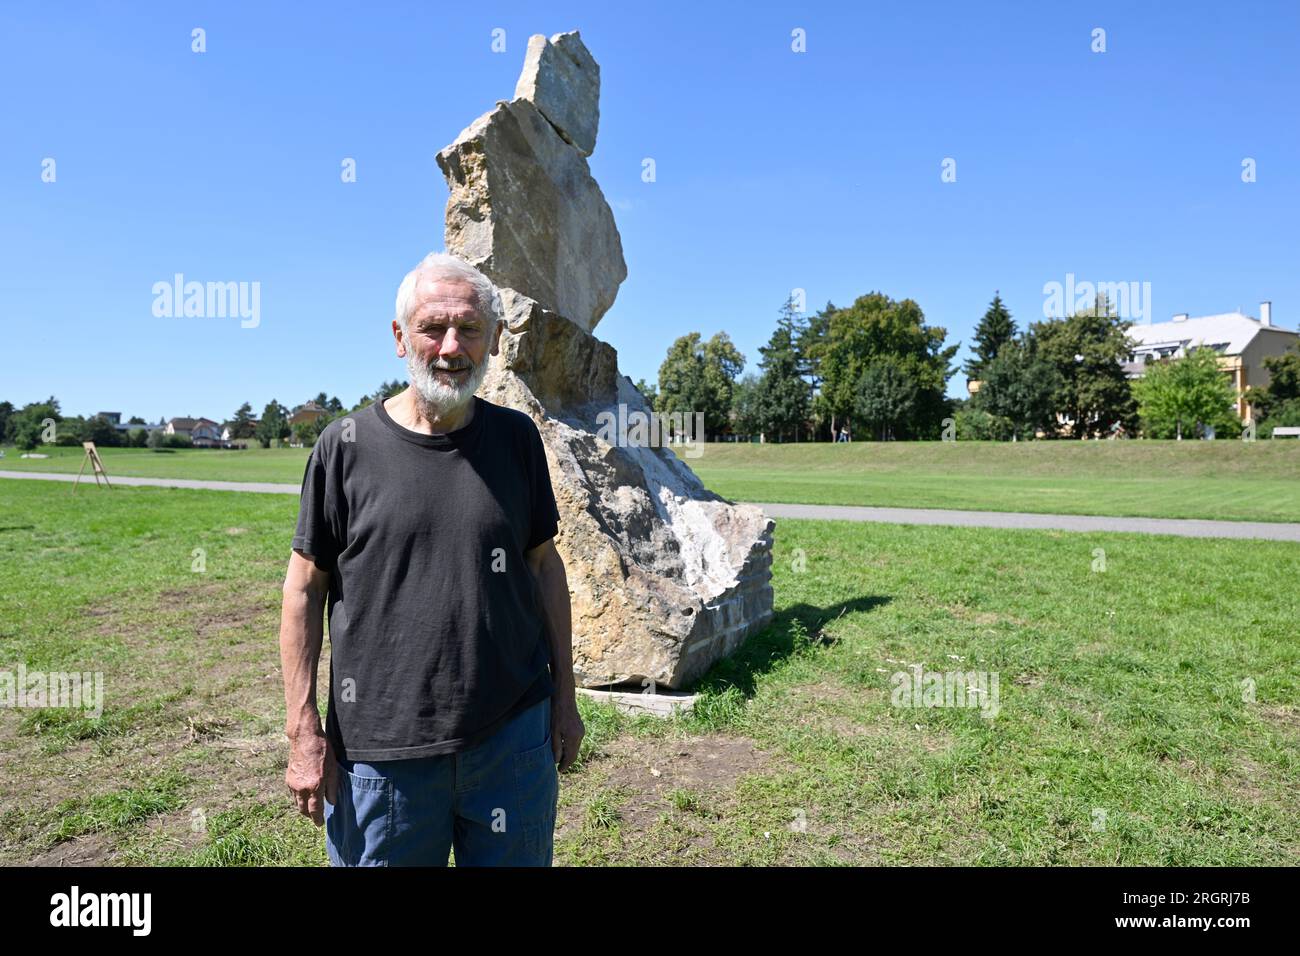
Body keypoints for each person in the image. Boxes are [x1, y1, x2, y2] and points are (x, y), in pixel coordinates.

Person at [279, 251, 585, 866]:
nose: (451, 347)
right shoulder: (344, 448)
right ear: (399, 338)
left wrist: (566, 697)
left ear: (493, 340)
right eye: (432, 327)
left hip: (511, 742)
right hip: (381, 759)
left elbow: (544, 569)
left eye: (470, 329)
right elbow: (304, 592)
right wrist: (302, 729)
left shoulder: (517, 440)